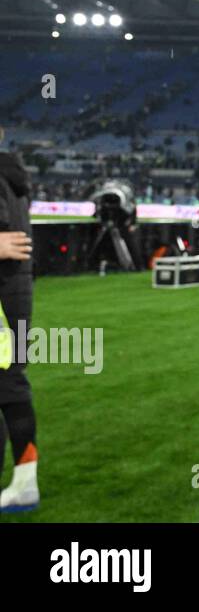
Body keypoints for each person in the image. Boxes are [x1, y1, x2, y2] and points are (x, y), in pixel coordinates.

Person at [0, 127, 39, 513]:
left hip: (4, 295)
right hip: (14, 292)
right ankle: (23, 483)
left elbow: (6, 242)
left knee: (9, 385)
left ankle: (26, 485)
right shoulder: (11, 173)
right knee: (7, 386)